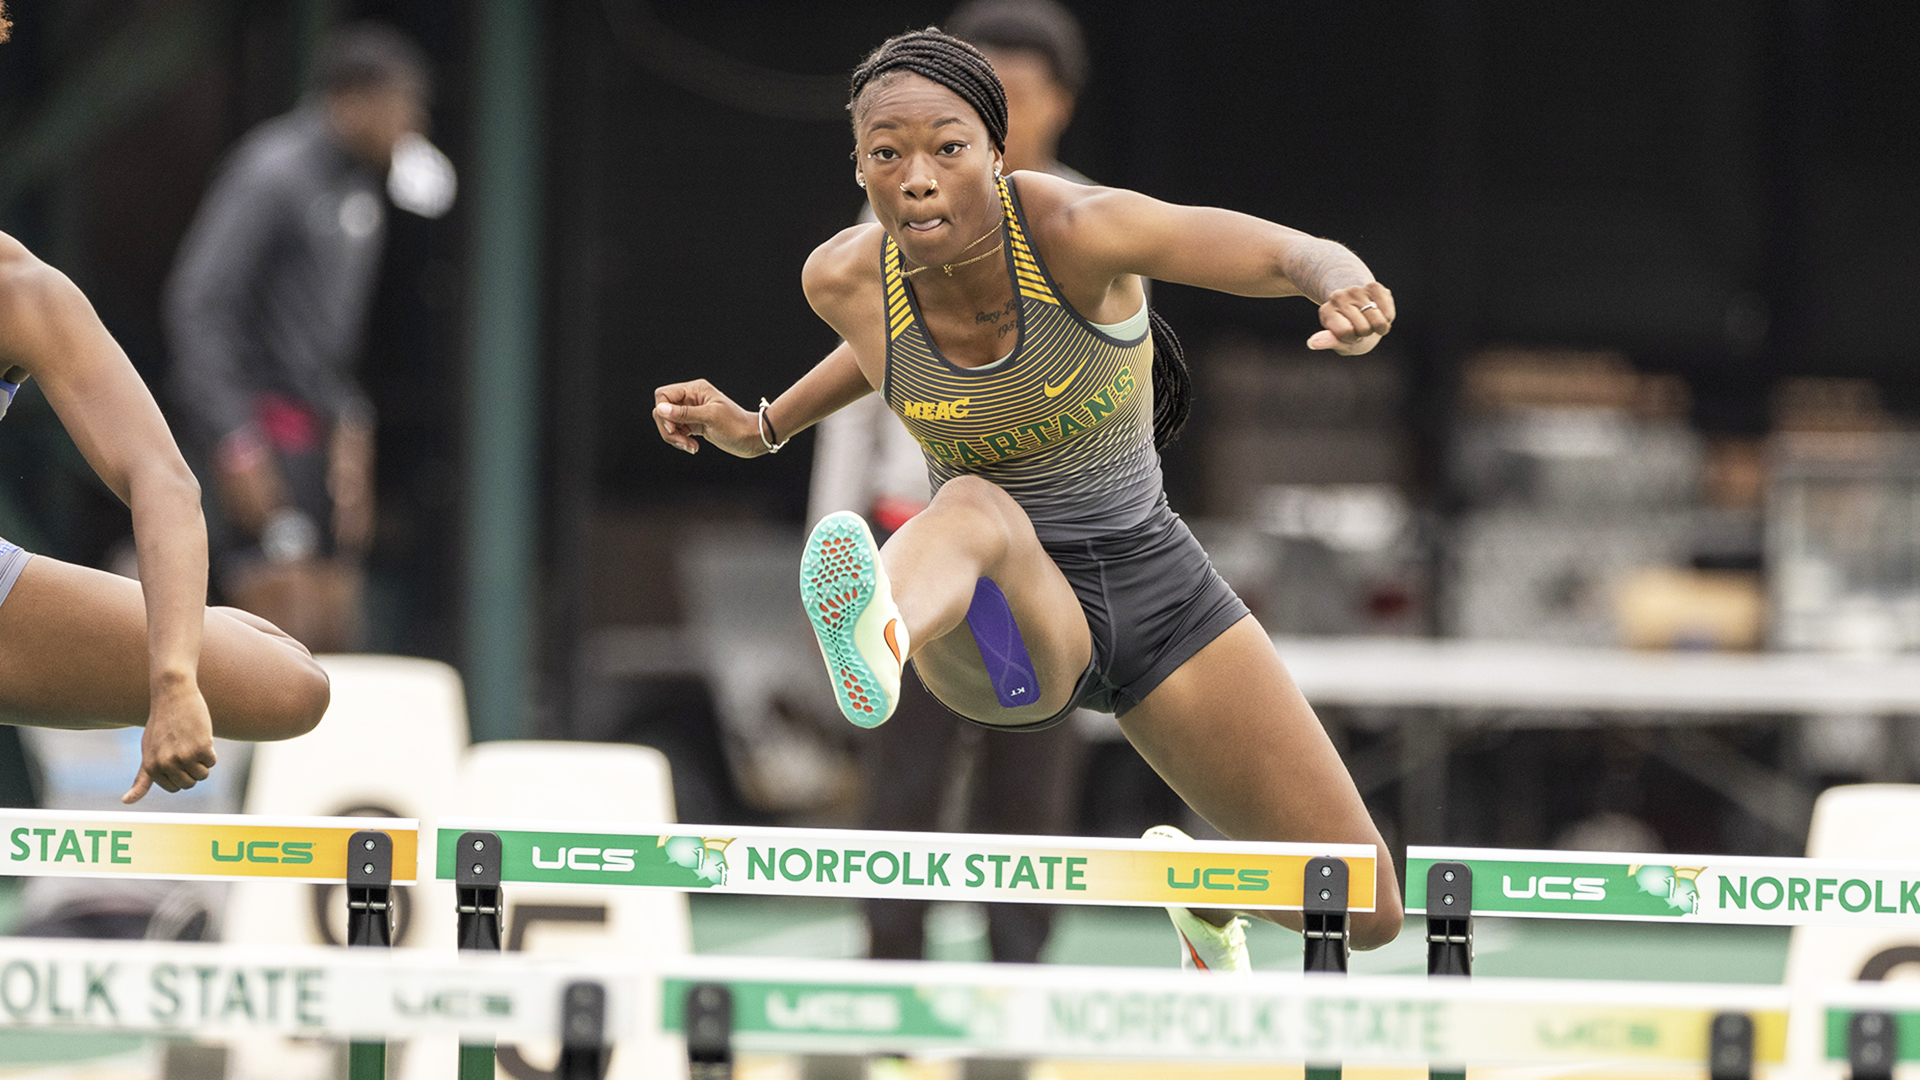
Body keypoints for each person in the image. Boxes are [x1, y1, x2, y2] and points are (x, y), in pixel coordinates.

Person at [655, 28, 1403, 965]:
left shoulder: (1080, 230)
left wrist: (1341, 285)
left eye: (948, 148)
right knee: (972, 504)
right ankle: (882, 627)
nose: (917, 176)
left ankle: (1208, 888)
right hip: (1007, 635)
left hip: (1161, 595)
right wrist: (765, 425)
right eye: (888, 154)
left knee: (1366, 907)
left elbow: (1279, 249)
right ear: (859, 165)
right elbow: (880, 351)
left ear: (999, 154)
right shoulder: (843, 277)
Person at [809, 0, 1099, 971]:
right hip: (912, 534)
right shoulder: (898, 208)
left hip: (1041, 556)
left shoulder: (1092, 225)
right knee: (904, 768)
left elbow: (1133, 399)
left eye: (1020, 90)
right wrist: (834, 531)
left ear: (1060, 101)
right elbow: (849, 390)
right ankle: (889, 974)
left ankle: (1018, 985)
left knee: (1030, 775)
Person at [0, 231, 331, 803]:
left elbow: (161, 478)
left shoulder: (19, 289)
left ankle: (181, 631)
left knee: (290, 685)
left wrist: (173, 680)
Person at [166, 22, 453, 652]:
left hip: (316, 443)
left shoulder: (361, 184)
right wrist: (234, 442)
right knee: (259, 628)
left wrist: (353, 425)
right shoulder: (271, 173)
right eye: (405, 102)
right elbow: (199, 305)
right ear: (354, 99)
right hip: (259, 439)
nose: (414, 120)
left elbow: (325, 337)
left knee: (327, 632)